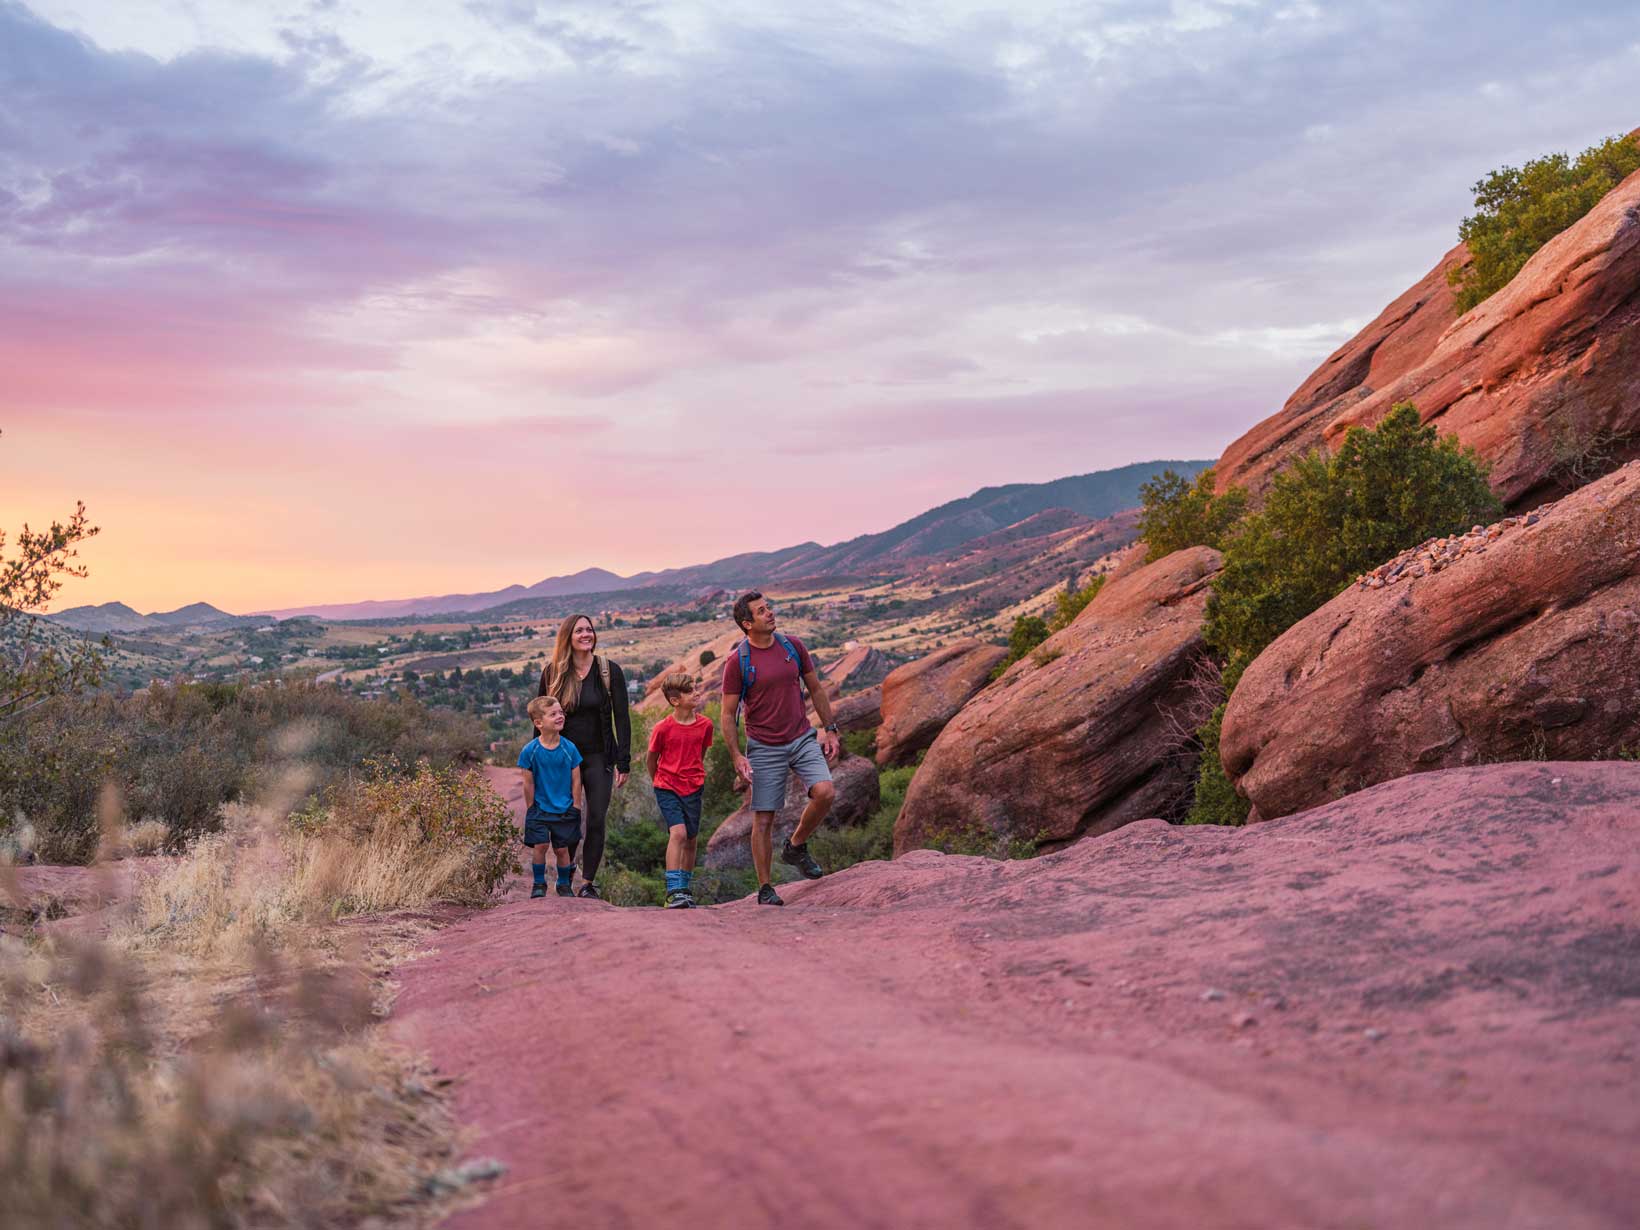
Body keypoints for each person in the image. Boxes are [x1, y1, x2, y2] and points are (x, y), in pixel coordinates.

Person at [719, 590, 840, 907]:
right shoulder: (738, 662)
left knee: (825, 791)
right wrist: (736, 755)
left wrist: (830, 729)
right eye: (762, 611)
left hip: (801, 737)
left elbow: (815, 688)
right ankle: (765, 888)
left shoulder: (793, 646)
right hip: (764, 745)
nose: (770, 613)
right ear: (748, 623)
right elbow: (727, 714)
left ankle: (796, 845)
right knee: (763, 819)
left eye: (769, 607)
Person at [539, 613, 631, 899]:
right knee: (567, 819)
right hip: (562, 759)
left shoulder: (608, 670)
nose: (585, 635)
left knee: (595, 820)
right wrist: (538, 759)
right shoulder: (553, 673)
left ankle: (587, 883)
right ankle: (565, 876)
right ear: (568, 636)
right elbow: (540, 718)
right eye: (578, 631)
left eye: (589, 630)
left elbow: (622, 717)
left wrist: (623, 760)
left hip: (600, 757)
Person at [647, 672, 716, 909]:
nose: (696, 693)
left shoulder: (705, 725)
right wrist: (659, 781)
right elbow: (651, 759)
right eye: (690, 691)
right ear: (675, 700)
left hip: (693, 786)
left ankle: (685, 889)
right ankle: (673, 891)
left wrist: (694, 774)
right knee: (678, 833)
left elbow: (700, 753)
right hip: (667, 786)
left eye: (696, 688)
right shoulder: (663, 728)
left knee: (692, 838)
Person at [518, 696, 584, 899]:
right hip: (540, 809)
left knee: (562, 850)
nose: (560, 716)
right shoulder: (530, 751)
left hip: (564, 809)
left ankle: (563, 884)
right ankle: (539, 884)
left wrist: (576, 806)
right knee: (540, 847)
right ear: (538, 723)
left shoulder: (569, 748)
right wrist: (531, 809)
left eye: (561, 713)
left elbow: (576, 779)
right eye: (553, 714)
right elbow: (528, 782)